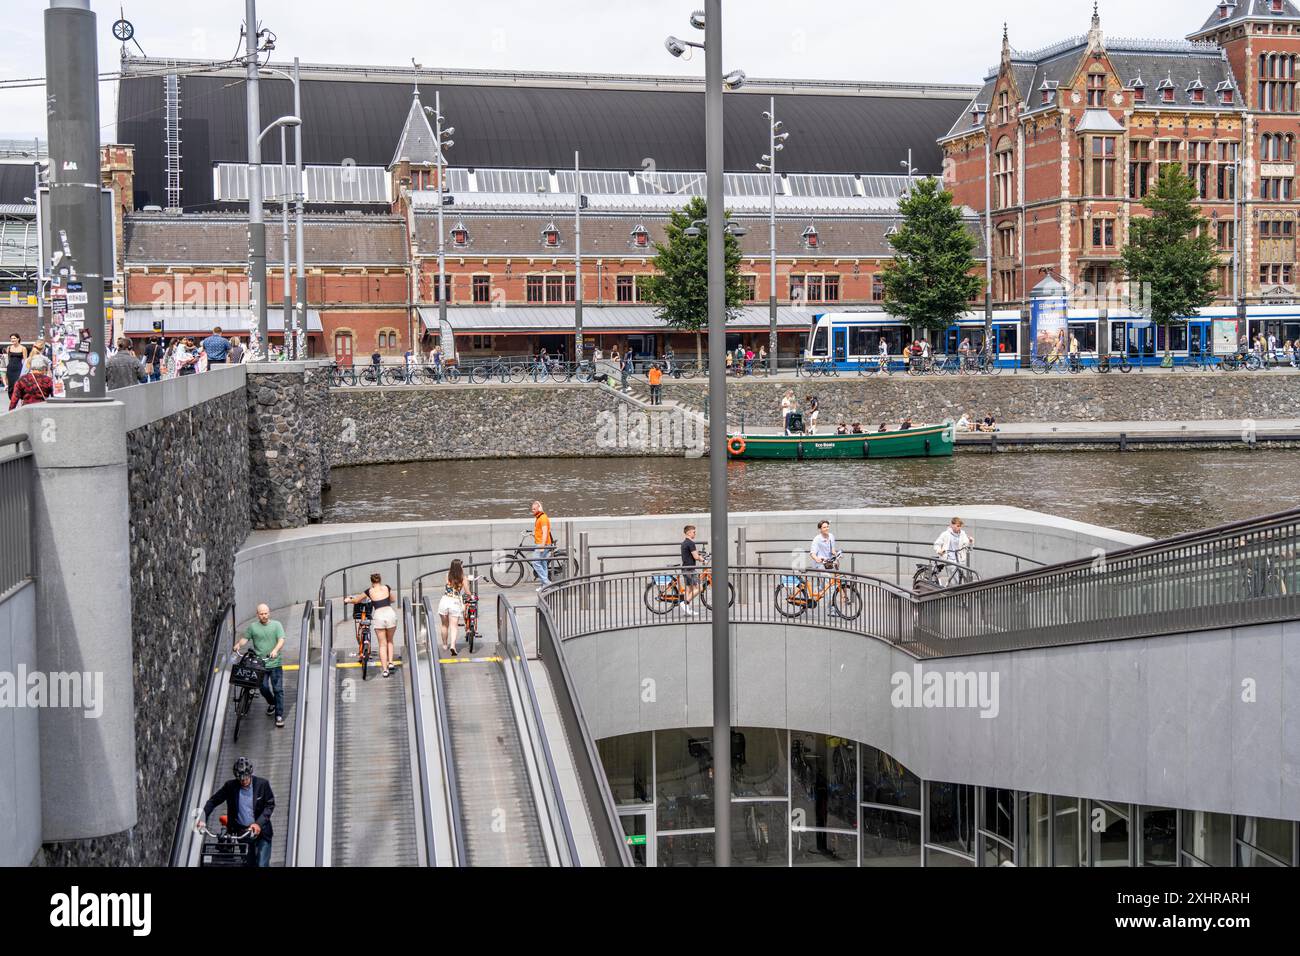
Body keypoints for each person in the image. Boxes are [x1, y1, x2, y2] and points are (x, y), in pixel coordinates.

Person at [200, 757, 276, 868]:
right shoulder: (230, 786)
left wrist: (258, 824)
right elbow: (213, 801)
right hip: (243, 833)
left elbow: (270, 805)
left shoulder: (262, 784)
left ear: (250, 774)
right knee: (247, 863)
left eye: (245, 778)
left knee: (262, 864)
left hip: (261, 832)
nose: (243, 781)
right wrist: (202, 818)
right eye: (240, 779)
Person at [233, 604, 286, 728]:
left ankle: (279, 715)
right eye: (261, 614)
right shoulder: (253, 627)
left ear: (269, 613)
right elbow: (245, 639)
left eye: (266, 613)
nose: (264, 615)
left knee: (278, 690)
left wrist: (275, 650)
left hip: (275, 663)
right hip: (259, 664)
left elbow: (281, 639)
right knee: (263, 687)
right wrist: (238, 645)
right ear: (257, 615)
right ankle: (272, 702)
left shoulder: (277, 625)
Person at [344, 573, 399, 677]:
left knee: (382, 644)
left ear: (372, 582)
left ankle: (385, 670)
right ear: (380, 580)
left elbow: (356, 600)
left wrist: (348, 600)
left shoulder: (369, 591)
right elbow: (392, 599)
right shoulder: (387, 587)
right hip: (390, 613)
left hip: (379, 616)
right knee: (390, 640)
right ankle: (391, 663)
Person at [436, 559, 477, 656]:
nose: (463, 567)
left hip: (445, 600)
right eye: (462, 566)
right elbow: (467, 591)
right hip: (454, 602)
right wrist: (471, 596)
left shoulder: (447, 575)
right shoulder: (463, 578)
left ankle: (445, 644)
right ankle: (453, 646)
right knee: (454, 626)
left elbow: (448, 586)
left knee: (444, 625)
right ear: (459, 567)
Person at [933, 517, 975, 586]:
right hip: (949, 558)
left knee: (959, 577)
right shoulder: (945, 534)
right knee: (954, 577)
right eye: (957, 526)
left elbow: (969, 548)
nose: (959, 528)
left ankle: (951, 588)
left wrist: (970, 542)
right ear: (952, 525)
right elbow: (936, 544)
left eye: (960, 526)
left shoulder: (963, 534)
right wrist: (939, 550)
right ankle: (955, 592)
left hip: (960, 559)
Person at [530, 500, 555, 591]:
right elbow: (541, 532)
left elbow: (545, 533)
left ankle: (547, 583)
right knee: (542, 563)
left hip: (542, 544)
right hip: (542, 543)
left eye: (534, 509)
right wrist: (534, 534)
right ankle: (544, 586)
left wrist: (542, 546)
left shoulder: (543, 518)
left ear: (539, 508)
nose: (532, 510)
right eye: (532, 509)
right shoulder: (539, 517)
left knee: (535, 562)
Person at [680, 524, 702, 616]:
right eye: (694, 532)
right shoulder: (691, 543)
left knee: (688, 590)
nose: (695, 533)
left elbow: (693, 554)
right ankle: (685, 603)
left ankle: (687, 610)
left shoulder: (684, 543)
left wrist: (699, 555)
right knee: (699, 588)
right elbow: (696, 556)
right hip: (690, 569)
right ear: (688, 532)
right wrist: (703, 559)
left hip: (685, 569)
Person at [4, 333, 26, 404]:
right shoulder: (9, 348)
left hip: (19, 368)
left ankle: (22, 399)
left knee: (18, 384)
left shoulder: (23, 348)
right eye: (11, 338)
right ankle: (12, 401)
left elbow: (25, 360)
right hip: (10, 368)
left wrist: (25, 370)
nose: (12, 340)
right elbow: (8, 358)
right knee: (11, 385)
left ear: (18, 339)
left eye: (14, 338)